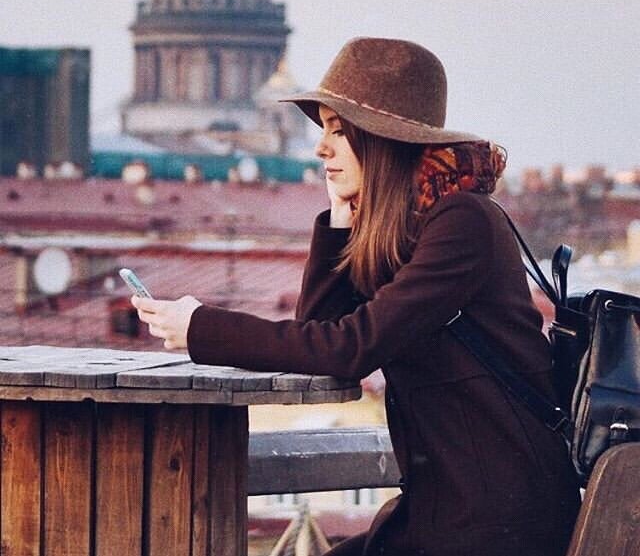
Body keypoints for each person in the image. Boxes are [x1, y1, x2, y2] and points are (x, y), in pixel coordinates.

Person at [132, 37, 581, 556]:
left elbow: (348, 346)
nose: (321, 148)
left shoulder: (464, 223)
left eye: (338, 132)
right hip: (442, 518)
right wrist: (339, 220)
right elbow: (319, 335)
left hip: (499, 525)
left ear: (382, 142)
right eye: (323, 130)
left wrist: (201, 328)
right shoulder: (406, 228)